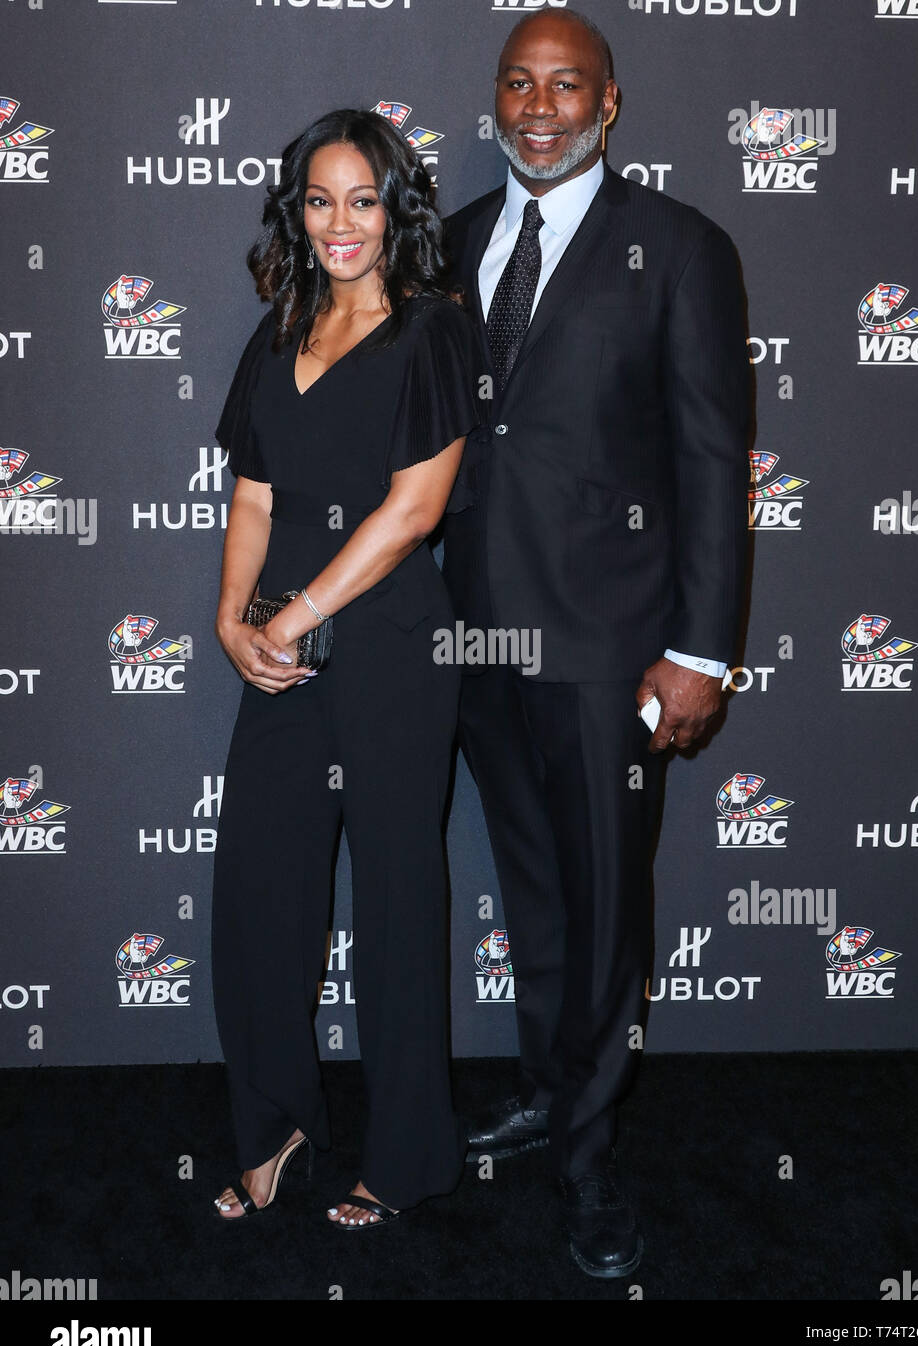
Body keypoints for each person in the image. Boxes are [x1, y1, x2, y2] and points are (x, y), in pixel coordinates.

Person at [442, 9, 751, 1277]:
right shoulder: (449, 245)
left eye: (566, 85)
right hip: (472, 647)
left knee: (607, 910)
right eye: (518, 82)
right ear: (494, 99)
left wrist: (700, 650)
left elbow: (707, 459)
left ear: (608, 104)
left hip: (611, 647)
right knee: (534, 895)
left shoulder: (678, 247)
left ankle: (588, 1166)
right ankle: (546, 1085)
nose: (538, 105)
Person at [210, 108, 485, 1228]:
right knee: (260, 898)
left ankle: (404, 1154)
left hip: (389, 654)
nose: (340, 223)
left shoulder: (433, 331)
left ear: (394, 209)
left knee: (396, 904)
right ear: (296, 211)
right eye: (318, 200)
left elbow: (413, 510)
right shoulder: (278, 329)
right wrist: (233, 618)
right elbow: (254, 498)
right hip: (280, 655)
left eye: (361, 199)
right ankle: (273, 1129)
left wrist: (299, 613)